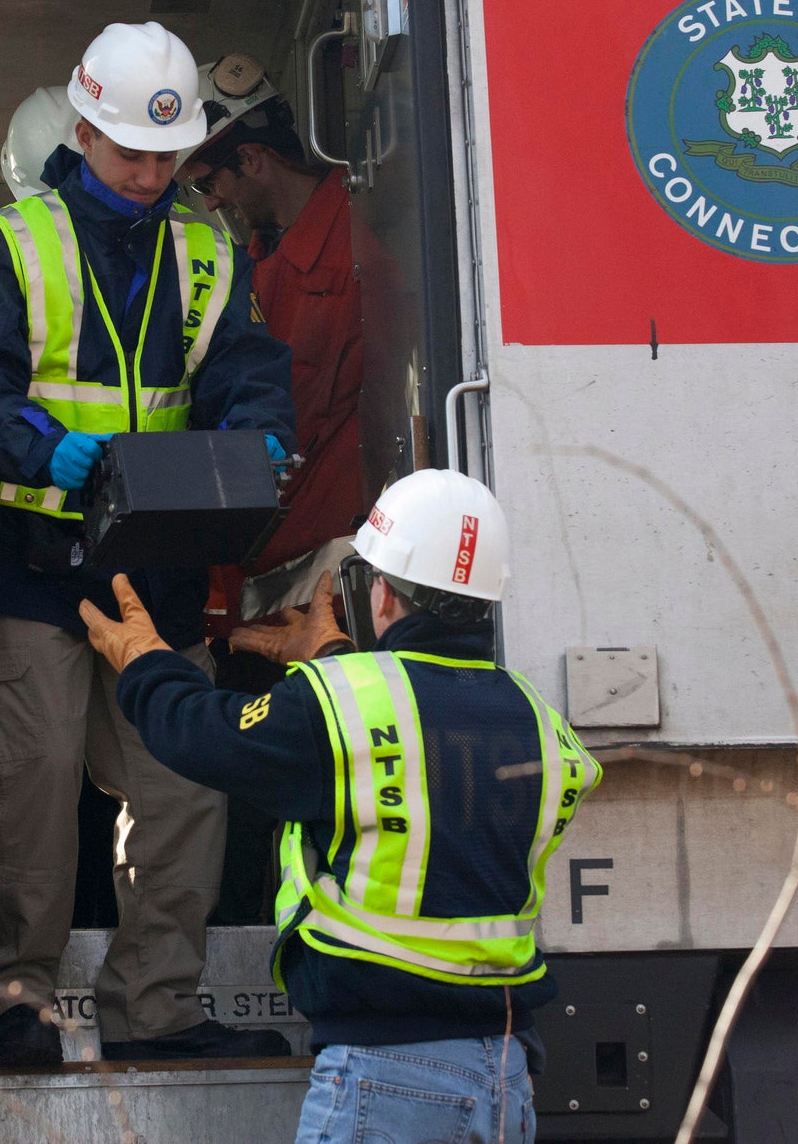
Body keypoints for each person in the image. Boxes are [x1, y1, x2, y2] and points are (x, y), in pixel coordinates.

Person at [0, 21, 297, 1067]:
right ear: (84, 130)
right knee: (34, 785)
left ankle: (156, 1009)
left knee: (183, 785)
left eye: (166, 153)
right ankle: (19, 1002)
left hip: (158, 565)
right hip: (28, 567)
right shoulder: (11, 244)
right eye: (130, 151)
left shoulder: (208, 250)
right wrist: (40, 449)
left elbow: (244, 367)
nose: (149, 173)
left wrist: (257, 434)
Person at [76, 469, 601, 1143]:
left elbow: (204, 736)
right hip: (505, 1073)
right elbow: (421, 742)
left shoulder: (339, 703)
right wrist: (325, 652)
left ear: (381, 594)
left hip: (386, 1073)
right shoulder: (538, 720)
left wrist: (145, 660)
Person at [183, 53, 365, 584]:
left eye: (205, 183)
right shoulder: (262, 265)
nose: (211, 203)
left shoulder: (357, 243)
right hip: (277, 553)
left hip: (327, 552)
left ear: (253, 158)